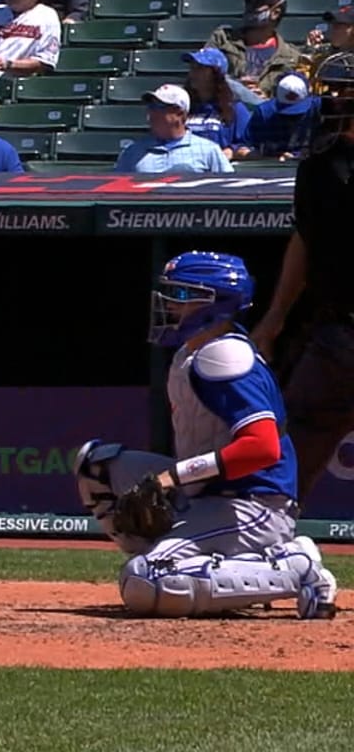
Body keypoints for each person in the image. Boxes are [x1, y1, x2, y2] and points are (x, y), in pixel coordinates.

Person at [72, 251, 337, 619]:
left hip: (253, 504)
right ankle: (179, 560)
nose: (168, 303)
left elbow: (262, 448)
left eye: (181, 295)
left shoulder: (226, 357)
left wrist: (173, 476)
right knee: (96, 465)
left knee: (144, 581)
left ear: (215, 303)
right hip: (206, 494)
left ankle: (295, 567)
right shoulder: (193, 352)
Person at [251, 51, 354, 505]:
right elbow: (305, 240)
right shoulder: (320, 164)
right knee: (293, 447)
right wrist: (274, 319)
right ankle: (268, 537)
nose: (334, 101)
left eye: (344, 93)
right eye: (330, 92)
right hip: (337, 333)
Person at [204, 0, 303, 106]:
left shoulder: (291, 57)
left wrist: (268, 101)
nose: (249, 8)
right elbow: (200, 76)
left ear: (275, 13)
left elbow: (292, 100)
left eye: (256, 4)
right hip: (225, 109)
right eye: (248, 3)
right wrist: (236, 88)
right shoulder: (223, 39)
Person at [114, 84, 235, 173]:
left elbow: (230, 189)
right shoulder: (133, 152)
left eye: (159, 107)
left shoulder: (208, 150)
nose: (151, 113)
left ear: (180, 113)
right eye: (150, 106)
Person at [182, 48, 254, 160]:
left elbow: (250, 144)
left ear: (216, 74)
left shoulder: (235, 109)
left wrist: (232, 150)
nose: (193, 73)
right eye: (192, 67)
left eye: (200, 68)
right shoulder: (183, 107)